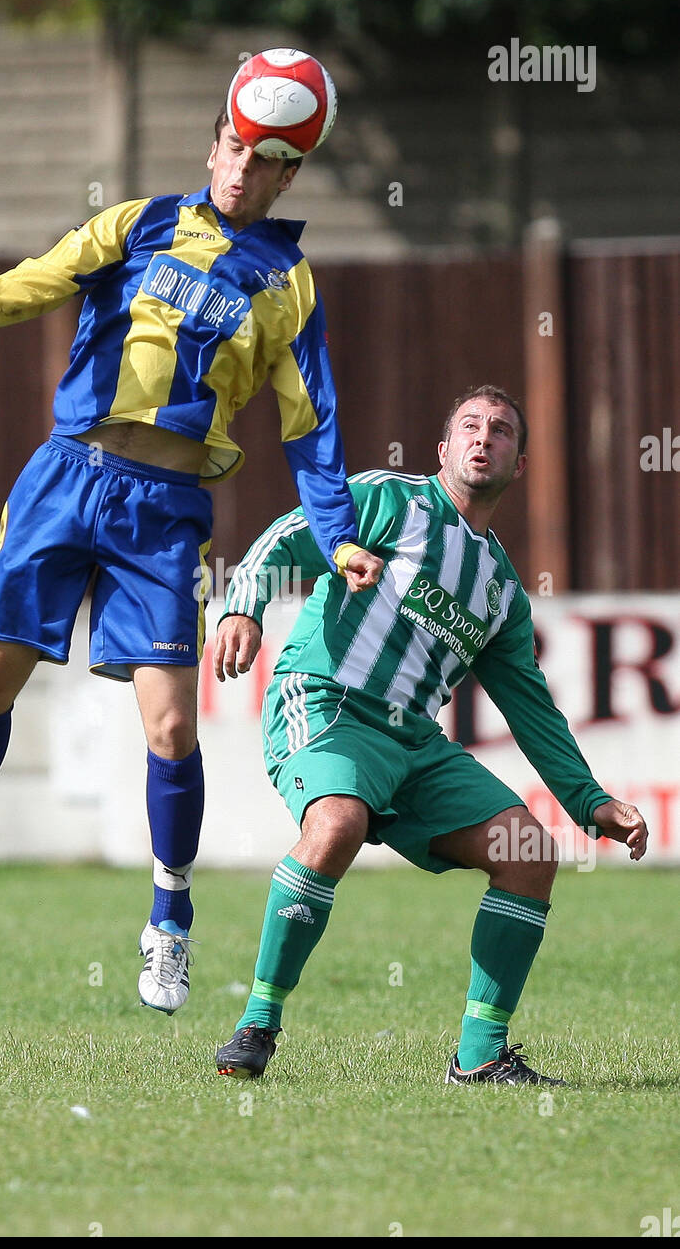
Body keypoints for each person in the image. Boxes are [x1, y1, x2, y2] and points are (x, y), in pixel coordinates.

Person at [0, 99, 383, 1014]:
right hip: (67, 478)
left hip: (166, 514)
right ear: (214, 143)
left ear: (288, 175)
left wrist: (338, 534)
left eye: (263, 163)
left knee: (172, 731)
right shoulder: (140, 222)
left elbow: (313, 427)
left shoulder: (290, 284)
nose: (239, 170)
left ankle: (170, 926)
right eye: (231, 149)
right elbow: (40, 279)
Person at [213, 384, 648, 1083]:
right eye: (470, 426)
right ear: (442, 450)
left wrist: (591, 801)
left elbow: (530, 708)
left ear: (520, 464)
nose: (484, 438)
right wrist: (243, 608)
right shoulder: (392, 501)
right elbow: (287, 535)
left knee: (529, 851)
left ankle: (479, 1059)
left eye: (502, 431)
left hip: (413, 743)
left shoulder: (502, 590)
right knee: (337, 823)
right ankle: (257, 1024)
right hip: (327, 703)